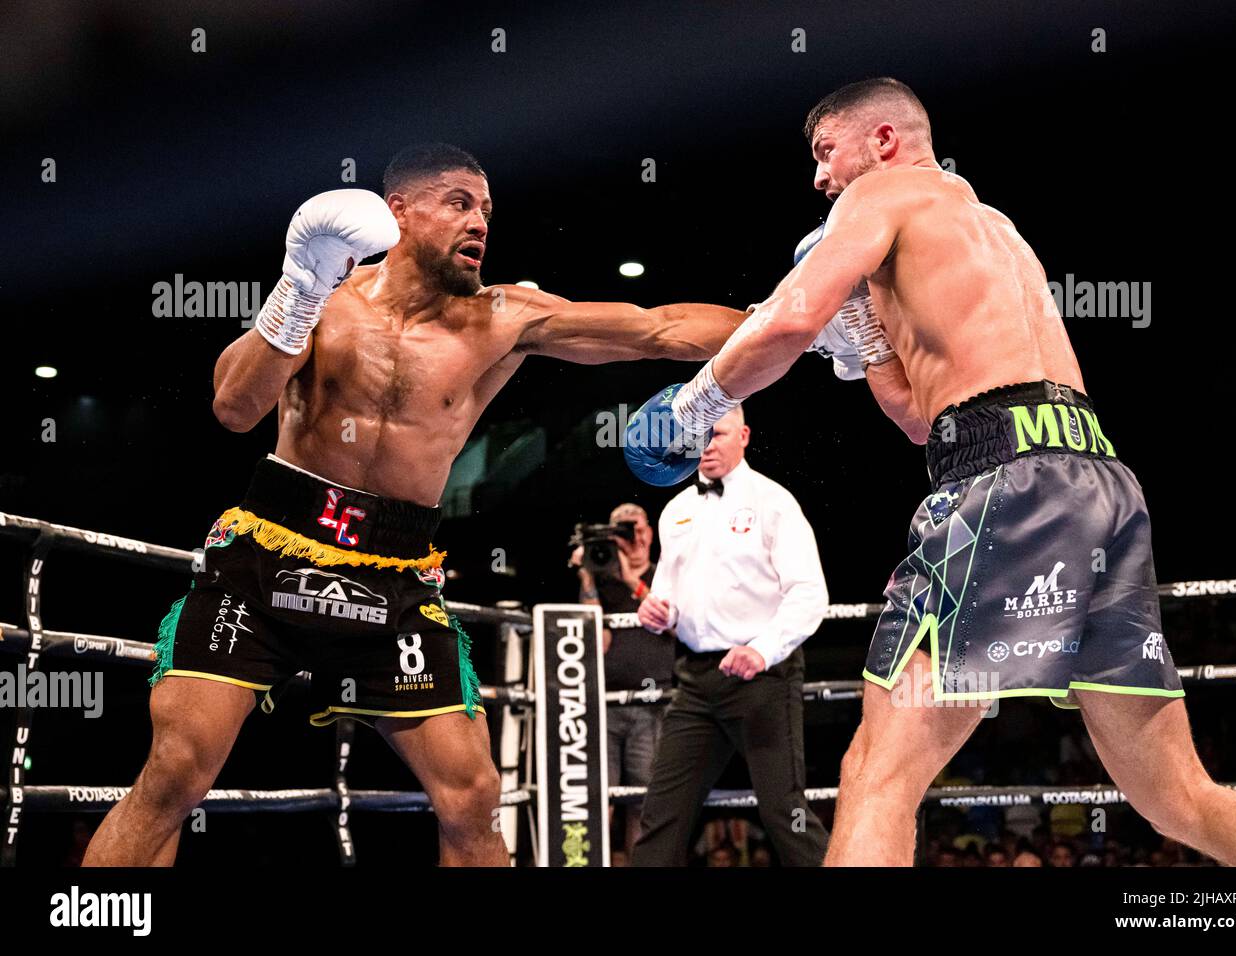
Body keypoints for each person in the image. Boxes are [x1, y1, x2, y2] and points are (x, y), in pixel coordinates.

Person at [624, 78, 1236, 866]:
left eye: (825, 152)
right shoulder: (997, 229)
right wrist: (872, 337)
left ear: (881, 141)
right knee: (1179, 799)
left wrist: (699, 402)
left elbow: (789, 316)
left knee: (878, 776)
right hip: (1095, 478)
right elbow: (924, 419)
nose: (819, 178)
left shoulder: (884, 195)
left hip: (1003, 484)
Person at [83, 143, 743, 867]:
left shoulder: (504, 317)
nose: (480, 221)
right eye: (460, 202)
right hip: (269, 557)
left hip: (393, 578)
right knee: (175, 773)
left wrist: (790, 322)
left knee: (471, 796)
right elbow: (235, 407)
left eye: (487, 209)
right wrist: (298, 288)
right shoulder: (326, 298)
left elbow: (657, 328)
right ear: (398, 211)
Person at [631, 406, 830, 866]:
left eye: (716, 435)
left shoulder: (774, 502)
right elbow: (669, 593)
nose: (705, 445)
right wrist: (658, 609)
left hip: (762, 680)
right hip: (695, 683)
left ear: (743, 435)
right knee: (660, 816)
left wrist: (762, 650)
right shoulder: (676, 508)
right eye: (697, 436)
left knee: (785, 813)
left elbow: (809, 594)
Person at [568, 502, 673, 857]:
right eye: (625, 531)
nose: (636, 537)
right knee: (599, 797)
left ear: (651, 533)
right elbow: (594, 643)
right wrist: (587, 577)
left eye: (639, 528)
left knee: (644, 802)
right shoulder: (601, 584)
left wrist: (631, 579)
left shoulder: (665, 577)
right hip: (603, 705)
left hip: (653, 706)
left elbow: (675, 627)